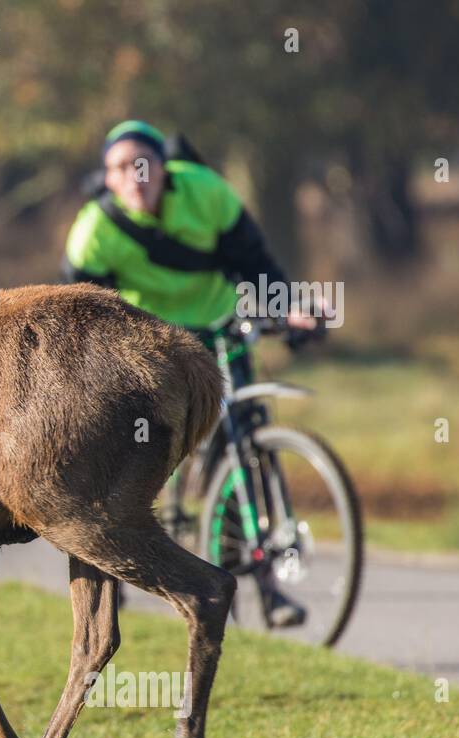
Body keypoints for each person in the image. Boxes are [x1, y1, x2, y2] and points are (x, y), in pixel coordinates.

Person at [61, 120, 327, 626]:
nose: (135, 177)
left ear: (167, 170)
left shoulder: (206, 193)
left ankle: (267, 589)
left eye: (144, 165)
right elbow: (80, 316)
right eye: (121, 168)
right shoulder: (94, 231)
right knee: (130, 450)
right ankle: (115, 563)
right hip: (147, 345)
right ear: (107, 180)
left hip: (218, 328)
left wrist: (289, 307)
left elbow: (254, 261)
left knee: (244, 441)